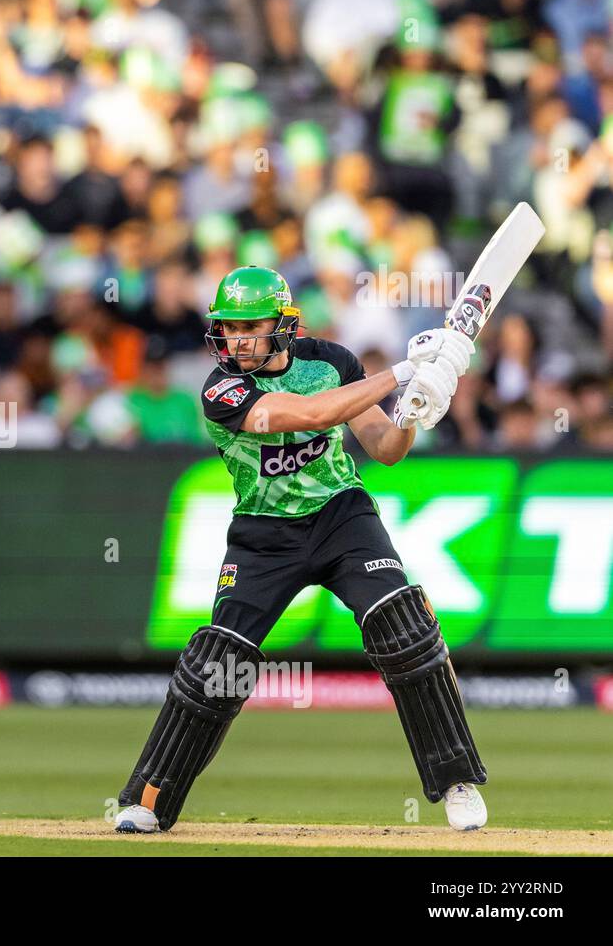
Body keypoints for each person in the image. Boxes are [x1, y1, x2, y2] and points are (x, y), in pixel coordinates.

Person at [113, 265, 488, 835]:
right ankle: (149, 799)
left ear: (284, 324)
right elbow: (310, 414)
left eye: (250, 326)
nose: (237, 340)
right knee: (218, 664)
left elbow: (384, 449)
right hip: (263, 535)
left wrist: (415, 410)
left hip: (341, 515)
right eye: (228, 327)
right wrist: (406, 370)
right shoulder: (222, 390)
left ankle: (456, 781)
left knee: (404, 627)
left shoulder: (332, 361)